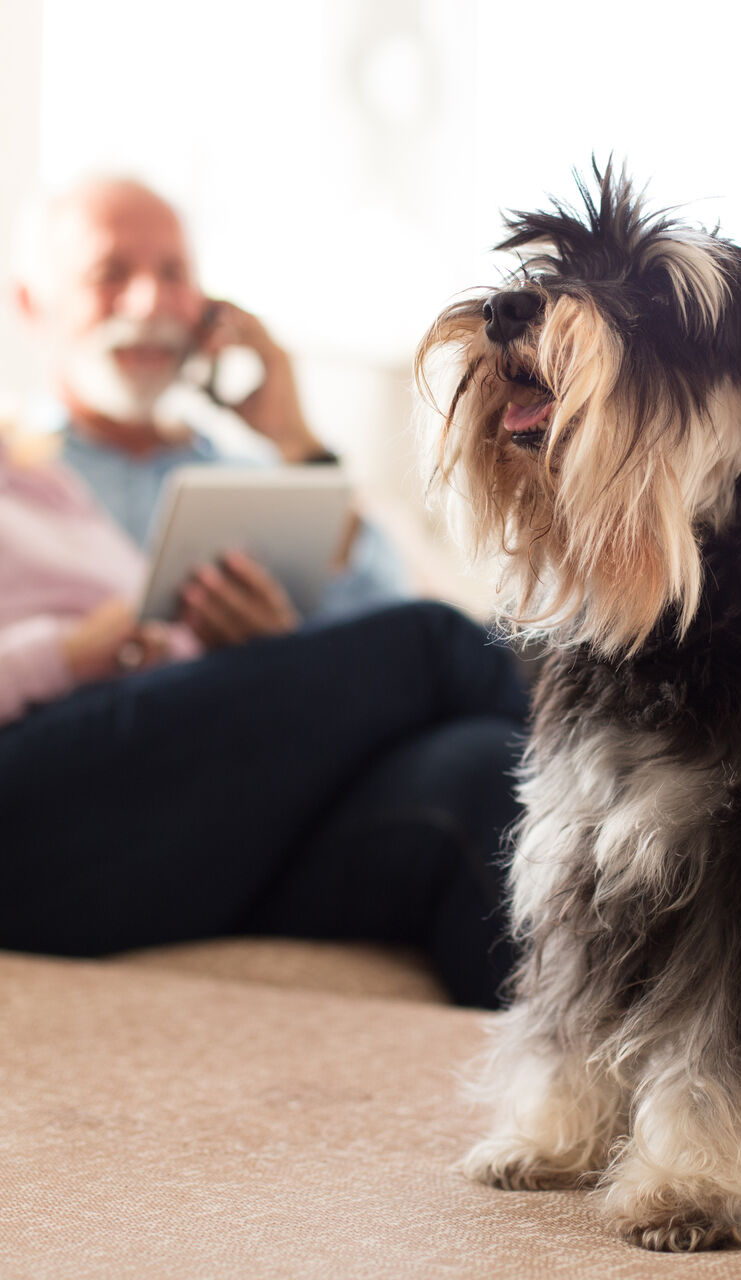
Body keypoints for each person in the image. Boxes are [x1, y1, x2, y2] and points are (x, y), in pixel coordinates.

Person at [0, 432, 526, 1008]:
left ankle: (578, 1061)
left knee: (479, 768)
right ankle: (596, 776)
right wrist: (64, 653)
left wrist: (256, 653)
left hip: (151, 805)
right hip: (33, 791)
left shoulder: (42, 479)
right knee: (433, 642)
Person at [11, 175, 403, 635]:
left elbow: (390, 626)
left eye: (173, 274)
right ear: (31, 306)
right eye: (109, 274)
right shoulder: (16, 482)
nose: (149, 303)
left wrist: (296, 440)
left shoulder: (252, 482)